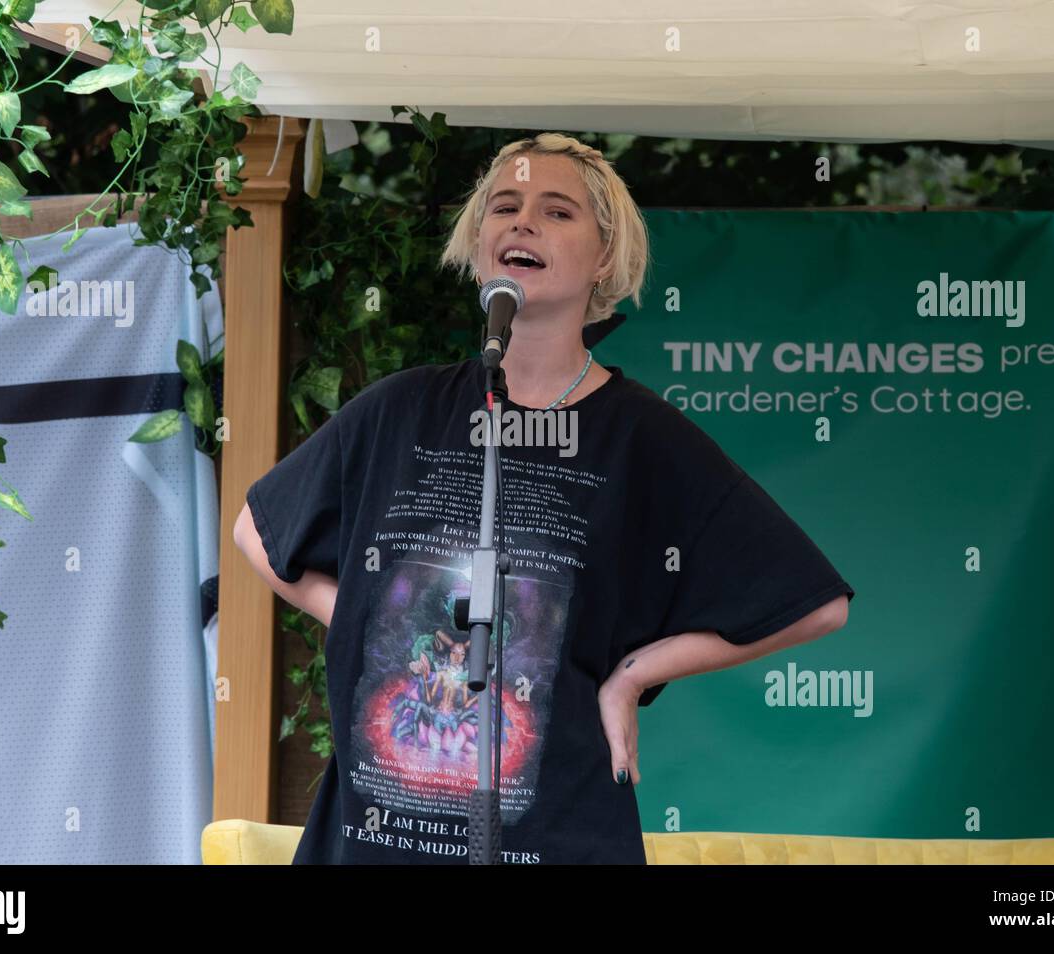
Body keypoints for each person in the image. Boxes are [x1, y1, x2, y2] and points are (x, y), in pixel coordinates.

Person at [234, 133, 855, 865]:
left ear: (604, 258)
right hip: (376, 843)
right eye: (505, 206)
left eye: (557, 212)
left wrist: (633, 675)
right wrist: (366, 620)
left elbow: (816, 603)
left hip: (557, 836)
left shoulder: (642, 438)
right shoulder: (402, 409)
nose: (523, 222)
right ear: (478, 244)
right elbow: (257, 529)